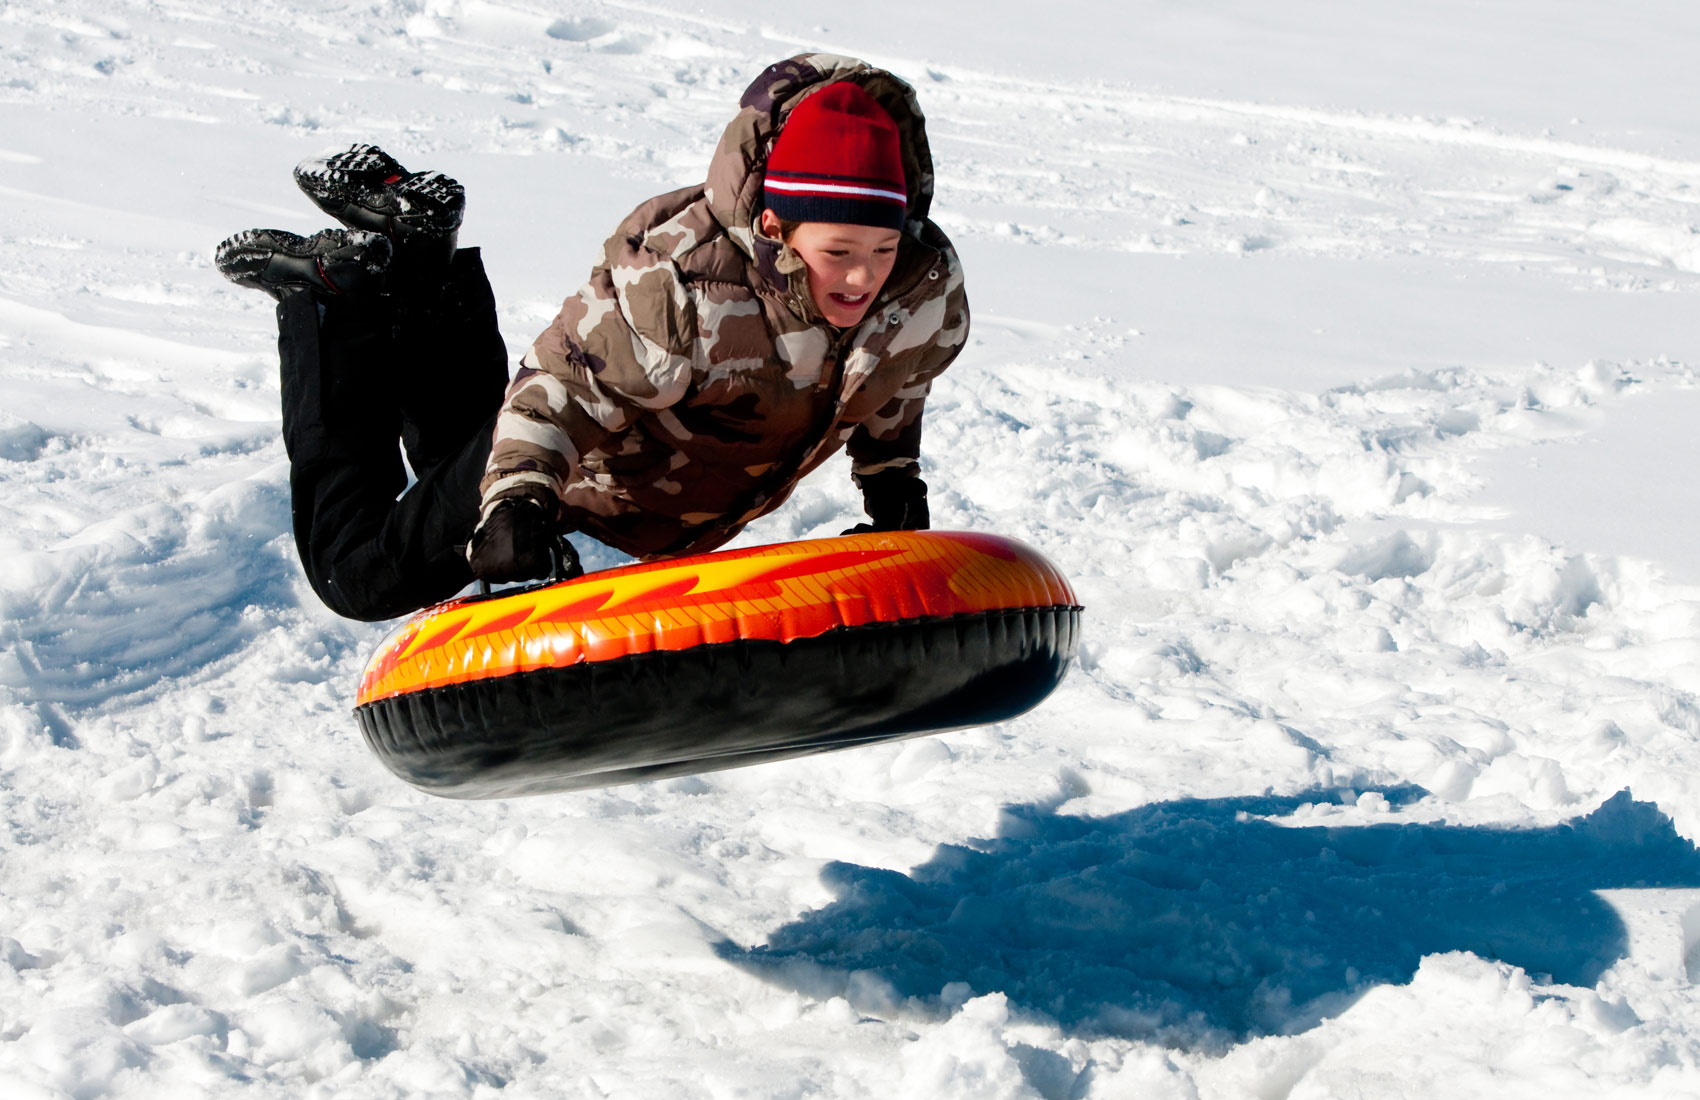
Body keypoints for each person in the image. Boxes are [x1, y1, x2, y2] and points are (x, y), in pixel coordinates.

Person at [216, 54, 969, 621]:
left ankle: (418, 247)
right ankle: (329, 297)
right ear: (775, 227)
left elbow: (891, 381)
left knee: (451, 446)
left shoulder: (921, 293)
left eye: (881, 250)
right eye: (838, 252)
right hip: (567, 467)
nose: (861, 278)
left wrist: (892, 483)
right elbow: (558, 388)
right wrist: (516, 506)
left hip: (604, 484)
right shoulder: (686, 293)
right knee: (357, 574)